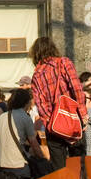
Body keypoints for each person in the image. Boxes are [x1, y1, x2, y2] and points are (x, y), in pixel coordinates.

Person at [29, 37, 87, 170]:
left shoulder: (36, 75)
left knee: (59, 168)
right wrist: (83, 114)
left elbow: (40, 104)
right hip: (72, 120)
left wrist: (49, 123)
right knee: (79, 165)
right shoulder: (63, 63)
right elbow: (76, 88)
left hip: (53, 126)